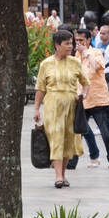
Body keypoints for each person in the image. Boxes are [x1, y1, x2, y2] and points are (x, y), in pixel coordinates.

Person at [33, 29, 88, 189]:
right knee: (56, 138)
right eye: (67, 43)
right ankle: (58, 176)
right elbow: (40, 88)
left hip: (71, 105)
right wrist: (36, 109)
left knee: (68, 141)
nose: (71, 46)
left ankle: (63, 174)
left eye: (71, 43)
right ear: (57, 45)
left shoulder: (75, 62)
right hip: (53, 106)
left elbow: (86, 83)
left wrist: (82, 95)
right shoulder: (46, 64)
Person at [74, 29, 109, 169]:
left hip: (97, 98)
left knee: (106, 131)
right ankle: (71, 161)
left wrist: (86, 53)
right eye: (77, 41)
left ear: (88, 40)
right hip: (81, 99)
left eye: (81, 40)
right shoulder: (75, 56)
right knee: (78, 131)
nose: (79, 43)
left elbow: (97, 66)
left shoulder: (96, 52)